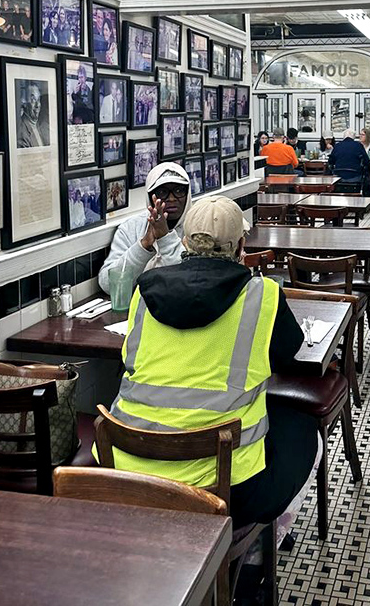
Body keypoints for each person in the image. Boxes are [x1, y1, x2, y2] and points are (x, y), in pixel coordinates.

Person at [106, 196, 318, 533]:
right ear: (241, 246)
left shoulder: (143, 293)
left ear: (184, 242)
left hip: (130, 472)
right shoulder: (262, 296)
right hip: (222, 488)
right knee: (304, 430)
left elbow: (128, 362)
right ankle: (260, 547)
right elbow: (288, 355)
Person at [98, 162, 192, 293]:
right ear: (150, 196)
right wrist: (143, 246)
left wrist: (165, 238)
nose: (171, 199)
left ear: (188, 194)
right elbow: (108, 285)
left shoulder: (200, 225)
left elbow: (191, 281)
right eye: (162, 192)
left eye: (178, 191)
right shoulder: (131, 228)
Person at [17, 82, 49, 147]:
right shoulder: (22, 133)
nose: (38, 105)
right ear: (24, 103)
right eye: (33, 99)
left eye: (39, 99)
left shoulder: (40, 126)